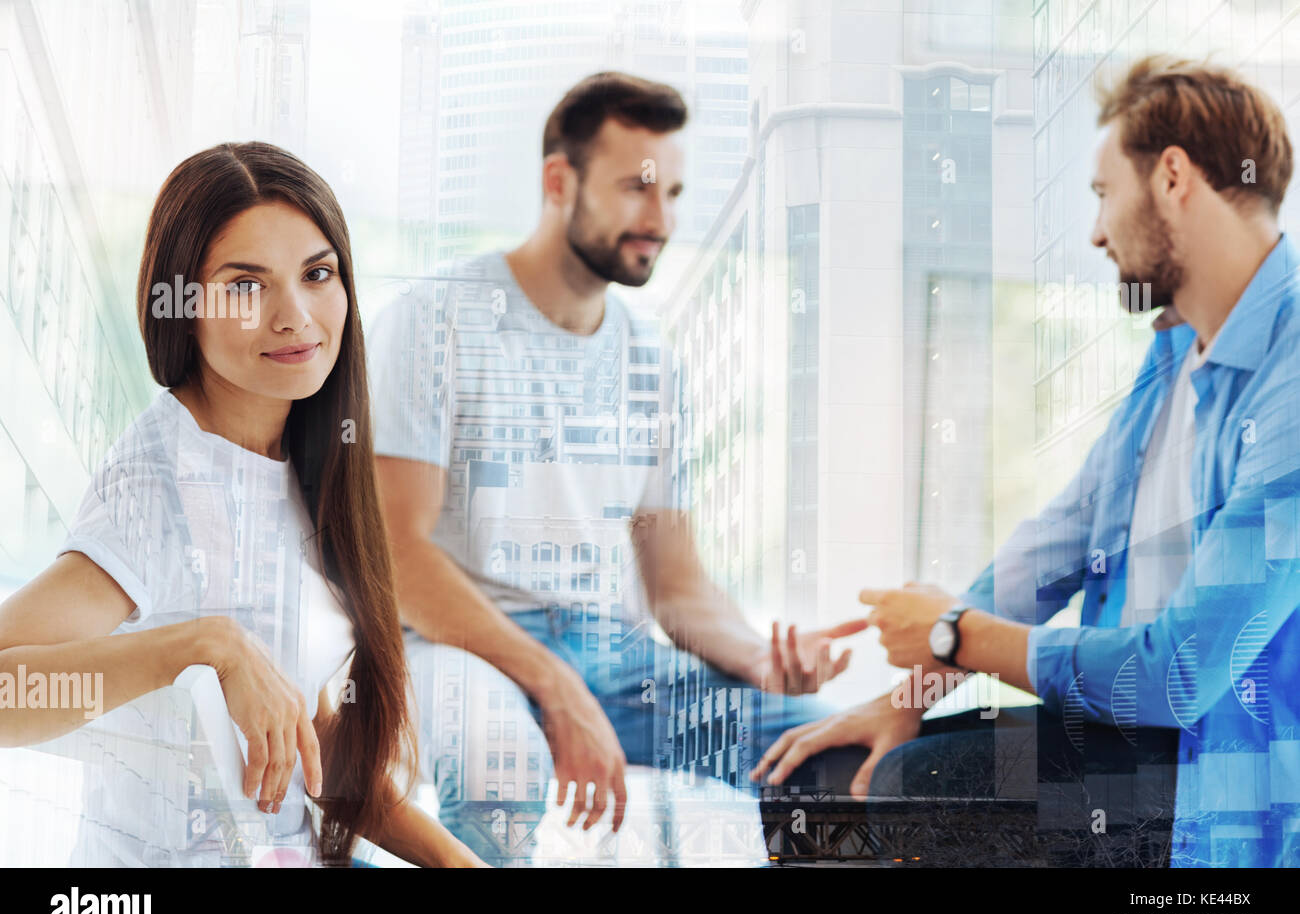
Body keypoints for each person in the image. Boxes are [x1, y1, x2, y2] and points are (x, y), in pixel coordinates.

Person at [754, 55, 1300, 868]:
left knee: (921, 788)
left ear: (1174, 177)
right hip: (1126, 748)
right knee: (820, 782)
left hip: (1214, 783)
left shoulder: (1288, 375)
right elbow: (1067, 536)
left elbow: (1182, 672)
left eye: (1104, 193)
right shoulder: (1177, 351)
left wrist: (955, 637)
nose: (1095, 230)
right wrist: (910, 693)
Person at [370, 72, 866, 862]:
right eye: (638, 188)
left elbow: (675, 587)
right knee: (502, 769)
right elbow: (396, 555)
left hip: (610, 649)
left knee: (839, 752)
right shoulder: (437, 319)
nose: (660, 218)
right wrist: (554, 684)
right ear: (559, 182)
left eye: (672, 192)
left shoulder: (649, 358)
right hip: (453, 645)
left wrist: (762, 656)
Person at [0, 142, 483, 867]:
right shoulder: (159, 480)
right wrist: (205, 645)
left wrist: (459, 862)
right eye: (245, 286)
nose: (296, 316)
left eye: (317, 274)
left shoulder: (310, 462)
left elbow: (311, 745)